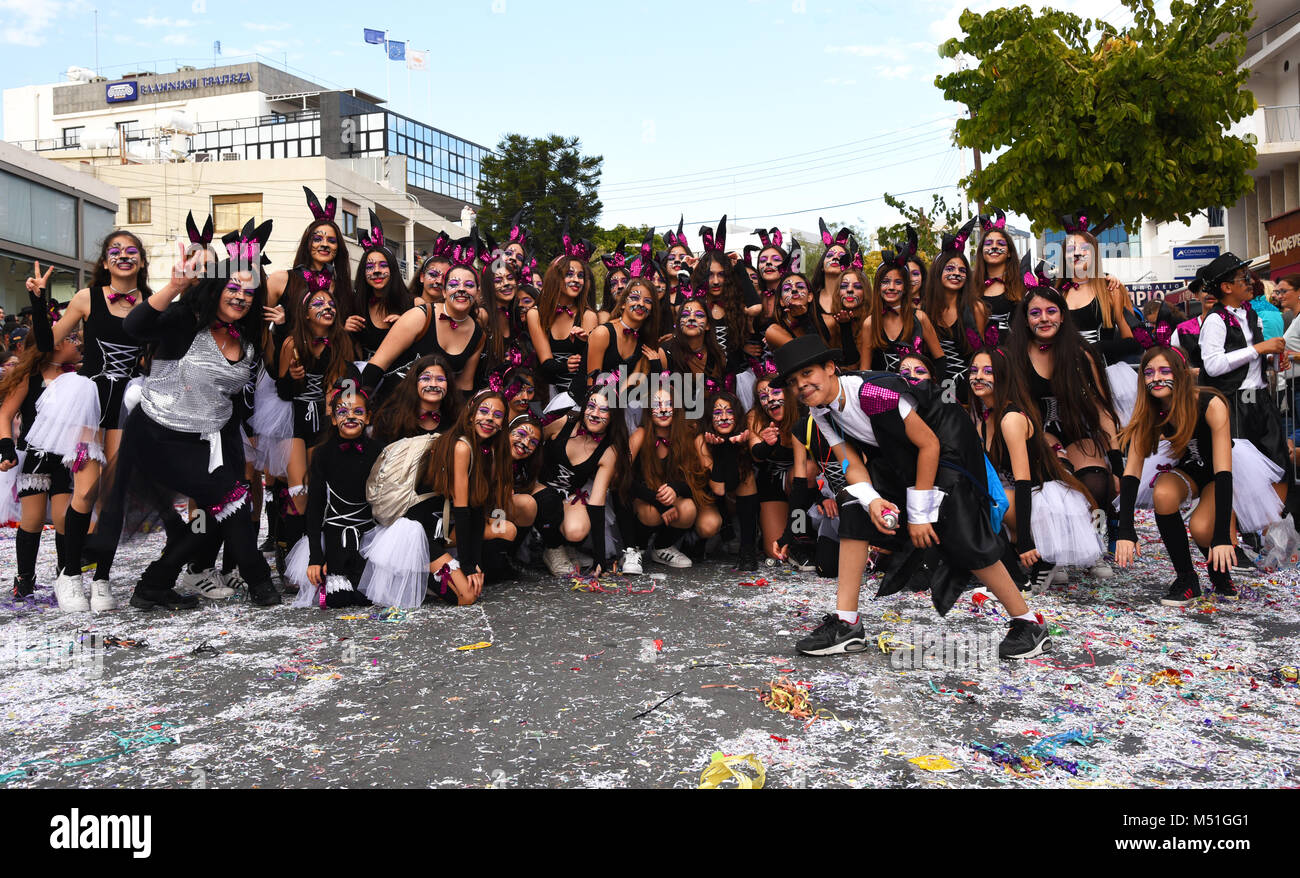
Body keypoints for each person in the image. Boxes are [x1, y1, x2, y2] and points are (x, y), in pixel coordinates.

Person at [773, 334, 1051, 660]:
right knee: (854, 504)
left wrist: (920, 514)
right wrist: (873, 500)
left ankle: (1029, 625)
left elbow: (929, 444)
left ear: (831, 367)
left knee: (960, 533)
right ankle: (847, 623)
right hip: (901, 456)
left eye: (807, 374)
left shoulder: (871, 392)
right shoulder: (820, 412)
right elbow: (849, 461)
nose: (801, 385)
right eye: (793, 382)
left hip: (947, 448)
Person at [110, 237, 281, 610]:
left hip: (208, 439)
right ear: (217, 289)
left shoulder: (249, 339)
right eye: (233, 287)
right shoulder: (186, 323)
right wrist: (174, 286)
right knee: (230, 503)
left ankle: (155, 584)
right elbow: (135, 327)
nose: (240, 297)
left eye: (249, 293)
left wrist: (279, 334)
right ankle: (260, 582)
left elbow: (239, 399)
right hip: (160, 434)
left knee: (219, 514)